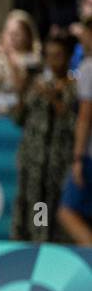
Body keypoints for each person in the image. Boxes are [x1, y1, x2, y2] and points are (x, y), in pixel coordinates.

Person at [11, 31, 78, 242]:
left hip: (58, 165)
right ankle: (35, 239)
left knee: (56, 211)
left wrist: (53, 98)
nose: (52, 61)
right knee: (35, 207)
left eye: (57, 56)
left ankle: (49, 242)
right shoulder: (37, 85)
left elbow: (73, 123)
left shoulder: (75, 88)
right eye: (49, 56)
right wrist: (22, 92)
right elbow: (18, 118)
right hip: (34, 163)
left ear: (68, 57)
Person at [60, 17, 92, 244]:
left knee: (67, 212)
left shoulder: (89, 68)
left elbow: (85, 116)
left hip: (90, 155)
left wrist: (78, 158)